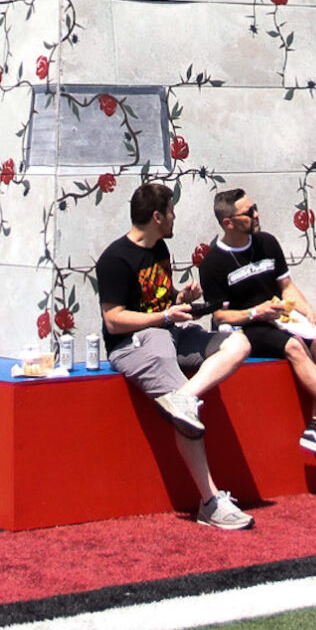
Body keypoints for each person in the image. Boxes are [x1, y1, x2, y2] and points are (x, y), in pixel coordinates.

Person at [96, 180, 254, 528]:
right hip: (133, 345)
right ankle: (210, 503)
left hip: (168, 333)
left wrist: (180, 299)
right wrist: (164, 316)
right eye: (171, 211)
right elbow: (114, 320)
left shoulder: (159, 250)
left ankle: (182, 397)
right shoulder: (114, 259)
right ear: (156, 216)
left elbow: (158, 301)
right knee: (185, 411)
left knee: (238, 343)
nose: (174, 217)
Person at [199, 188, 316, 461]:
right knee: (294, 346)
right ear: (229, 222)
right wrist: (256, 312)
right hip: (246, 327)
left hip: (281, 317)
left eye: (255, 206)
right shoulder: (213, 263)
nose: (256, 214)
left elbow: (286, 286)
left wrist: (309, 312)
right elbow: (220, 316)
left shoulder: (267, 243)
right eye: (249, 212)